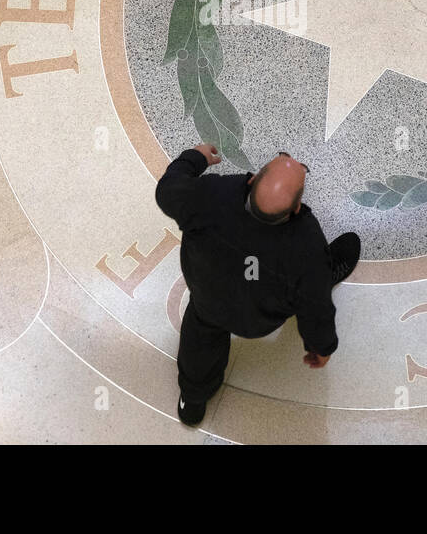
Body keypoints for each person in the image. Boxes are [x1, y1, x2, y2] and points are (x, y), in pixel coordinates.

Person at [154, 143, 360, 426]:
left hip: (207, 298)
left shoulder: (212, 196)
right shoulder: (307, 246)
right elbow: (317, 309)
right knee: (313, 281)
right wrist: (321, 347)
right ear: (297, 207)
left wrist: (194, 158)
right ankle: (327, 271)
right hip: (256, 320)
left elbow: (167, 192)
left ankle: (193, 397)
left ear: (251, 179)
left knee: (199, 340)